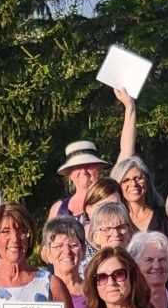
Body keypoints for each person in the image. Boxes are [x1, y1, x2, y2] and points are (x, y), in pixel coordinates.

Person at [48, 87, 136, 224]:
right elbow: (47, 245)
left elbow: (126, 151)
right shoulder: (58, 209)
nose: (83, 171)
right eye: (77, 167)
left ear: (98, 168)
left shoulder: (111, 193)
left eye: (88, 165)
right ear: (70, 174)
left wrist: (129, 106)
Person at [113, 156, 168, 237]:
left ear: (147, 181)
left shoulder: (166, 216)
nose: (134, 184)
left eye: (138, 178)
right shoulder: (116, 221)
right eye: (126, 180)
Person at [43, 217, 88, 308]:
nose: (67, 251)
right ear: (48, 253)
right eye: (58, 246)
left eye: (73, 245)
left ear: (83, 250)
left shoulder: (94, 293)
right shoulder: (41, 292)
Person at [127, 232, 168, 308]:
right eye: (149, 260)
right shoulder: (127, 305)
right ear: (134, 264)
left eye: (162, 259)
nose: (156, 266)